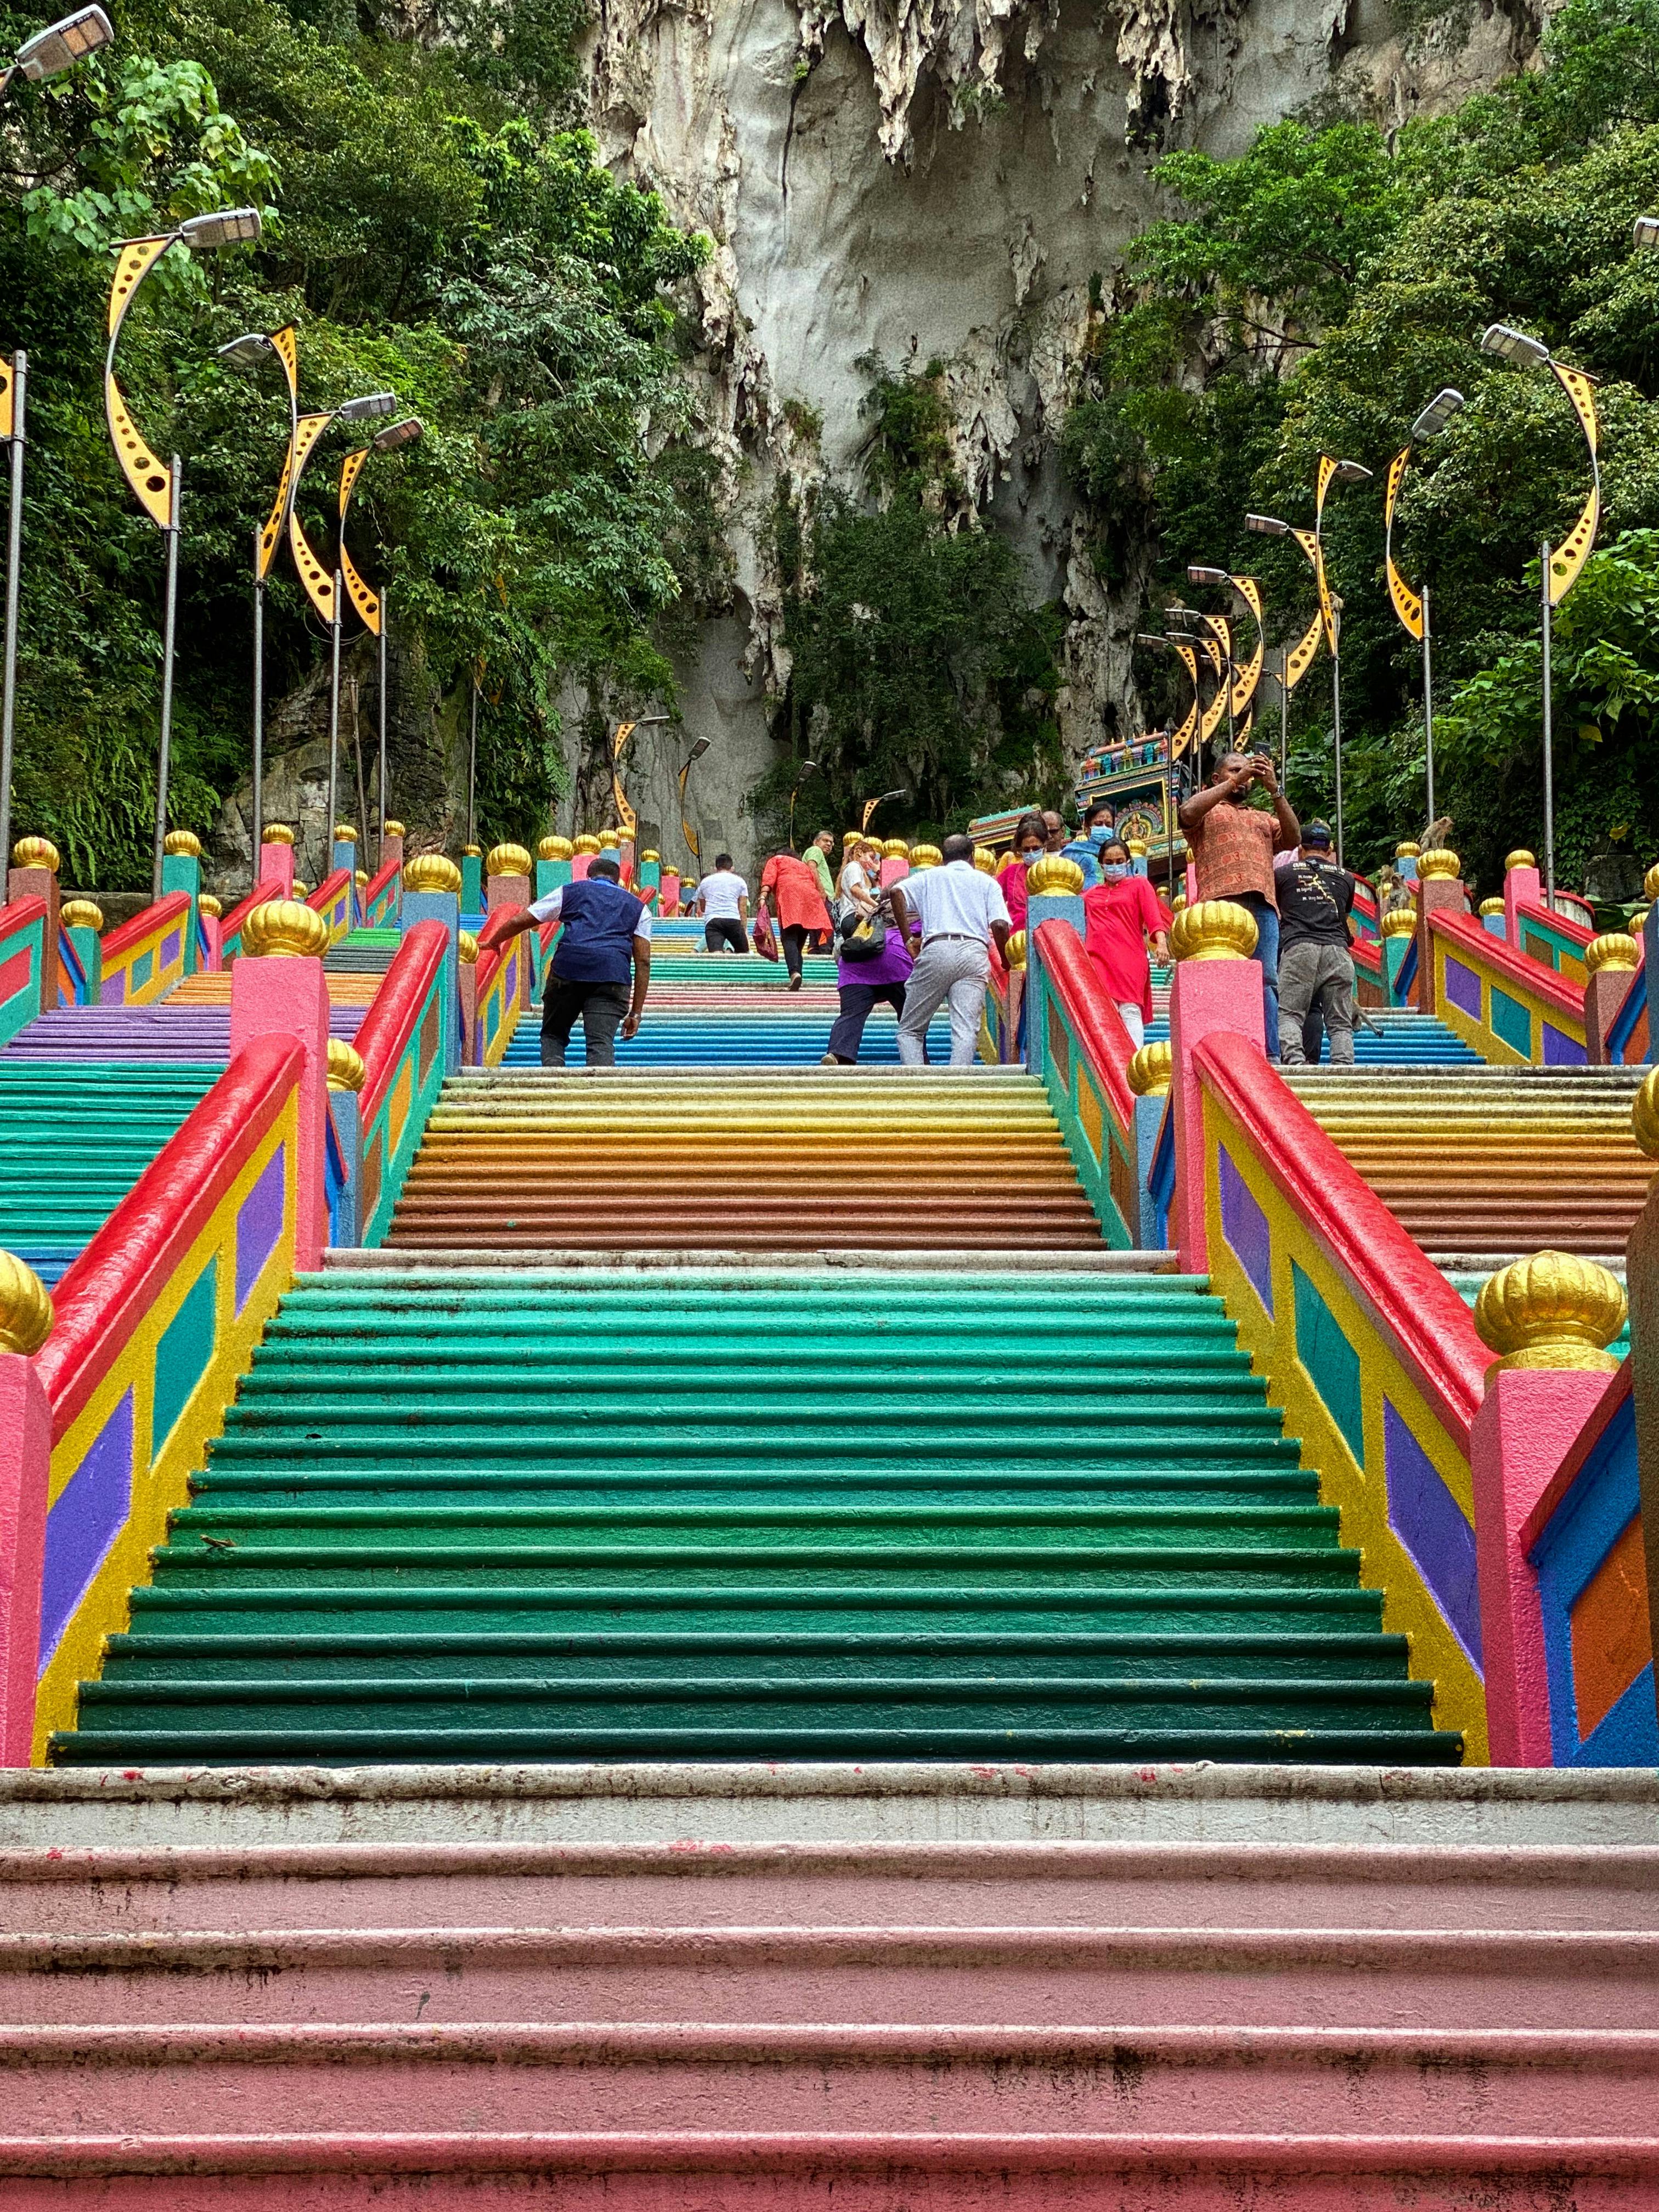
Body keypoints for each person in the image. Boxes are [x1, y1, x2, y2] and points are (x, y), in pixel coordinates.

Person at [1177, 749, 1299, 1058]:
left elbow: (1293, 838)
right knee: (1221, 974)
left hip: (1263, 905)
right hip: (1220, 906)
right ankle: (1221, 1051)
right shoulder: (1208, 811)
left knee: (1267, 979)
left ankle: (1270, 1054)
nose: (1243, 778)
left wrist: (1275, 789)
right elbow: (1187, 813)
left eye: (1247, 773)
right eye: (1234, 771)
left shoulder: (1262, 818)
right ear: (1216, 778)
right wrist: (1235, 782)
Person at [489, 853, 651, 1068]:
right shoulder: (639, 908)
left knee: (553, 1035)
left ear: (588, 876)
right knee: (601, 1042)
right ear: (618, 880)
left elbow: (522, 920)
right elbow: (643, 961)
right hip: (612, 976)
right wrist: (636, 1013)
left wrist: (494, 941)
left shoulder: (571, 891)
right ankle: (598, 1097)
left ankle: (553, 1082)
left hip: (568, 971)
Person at [891, 832, 1011, 1067]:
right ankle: (959, 1088)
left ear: (943, 858)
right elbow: (999, 924)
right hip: (974, 951)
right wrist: (1007, 962)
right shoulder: (987, 882)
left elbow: (896, 892)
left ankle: (919, 1084)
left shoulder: (930, 876)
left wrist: (908, 940)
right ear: (972, 857)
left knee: (910, 1031)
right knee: (965, 1030)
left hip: (937, 948)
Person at [822, 837, 912, 1063]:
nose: (873, 862)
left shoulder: (874, 907)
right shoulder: (911, 911)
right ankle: (918, 1061)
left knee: (851, 1015)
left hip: (855, 963)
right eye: (871, 857)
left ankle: (838, 1054)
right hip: (894, 964)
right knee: (911, 1018)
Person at [1276, 819, 1356, 1066]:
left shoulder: (1283, 874)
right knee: (1340, 1022)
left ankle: (1296, 1062)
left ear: (1300, 849)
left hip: (1299, 948)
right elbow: (1344, 913)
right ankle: (1344, 1066)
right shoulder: (1347, 878)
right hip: (1338, 952)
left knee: (1290, 1014)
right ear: (1330, 850)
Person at [1082, 837, 1170, 1048]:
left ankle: (1134, 1064)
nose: (1114, 867)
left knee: (1130, 1009)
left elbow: (1154, 918)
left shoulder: (1139, 885)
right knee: (1106, 1010)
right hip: (1098, 959)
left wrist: (1162, 944)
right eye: (1109, 863)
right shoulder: (1090, 895)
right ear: (1101, 865)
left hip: (1130, 960)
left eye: (1119, 861)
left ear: (1128, 862)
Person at [759, 844, 833, 991]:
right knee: (798, 944)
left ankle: (794, 973)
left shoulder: (777, 860)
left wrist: (763, 896)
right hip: (811, 899)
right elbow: (815, 881)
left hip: (791, 897)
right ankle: (798, 974)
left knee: (789, 939)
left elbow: (769, 878)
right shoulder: (803, 866)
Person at [996, 813, 1048, 933]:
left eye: (1035, 848)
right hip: (1016, 937)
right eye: (1026, 849)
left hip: (1047, 936)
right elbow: (992, 898)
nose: (1031, 852)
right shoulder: (1010, 873)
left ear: (1044, 846)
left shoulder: (1057, 869)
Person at [696, 852, 750, 953]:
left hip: (713, 921)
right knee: (743, 953)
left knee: (716, 954)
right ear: (732, 868)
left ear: (716, 869)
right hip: (733, 920)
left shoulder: (705, 883)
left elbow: (703, 908)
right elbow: (742, 909)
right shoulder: (740, 882)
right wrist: (744, 929)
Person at [1062, 801, 1111, 888]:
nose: (1104, 828)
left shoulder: (1120, 852)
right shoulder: (1072, 852)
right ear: (1087, 826)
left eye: (1108, 825)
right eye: (1099, 824)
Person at [803, 828, 837, 907]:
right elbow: (811, 867)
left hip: (824, 898)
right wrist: (821, 891)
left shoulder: (818, 854)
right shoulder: (816, 849)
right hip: (821, 898)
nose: (829, 844)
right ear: (816, 842)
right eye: (825, 841)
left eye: (831, 843)